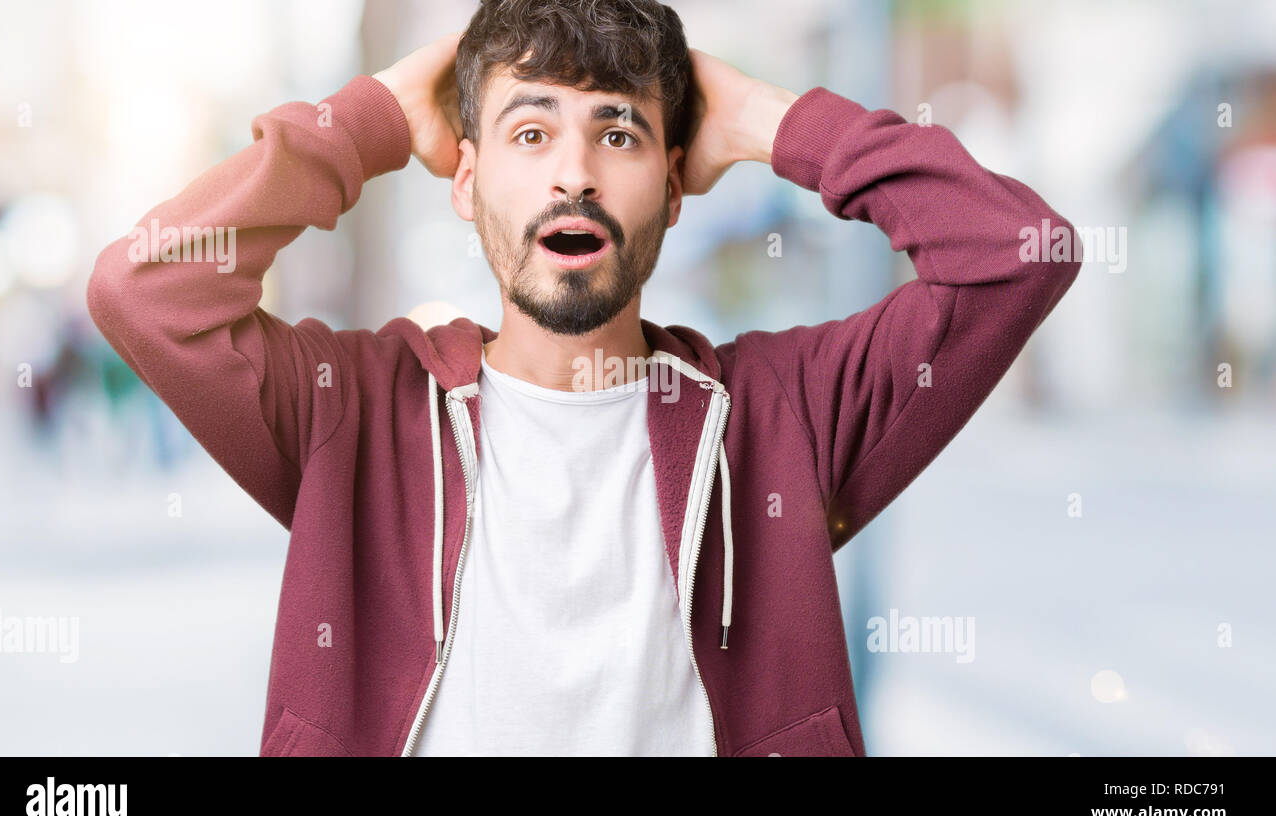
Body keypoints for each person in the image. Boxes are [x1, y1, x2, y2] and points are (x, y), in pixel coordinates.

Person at [86, 0, 1081, 756]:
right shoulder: (350, 412)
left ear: (677, 181)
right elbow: (145, 290)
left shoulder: (784, 415)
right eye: (530, 132)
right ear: (465, 180)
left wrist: (771, 121)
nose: (573, 175)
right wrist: (365, 122)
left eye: (618, 134)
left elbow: (1017, 254)